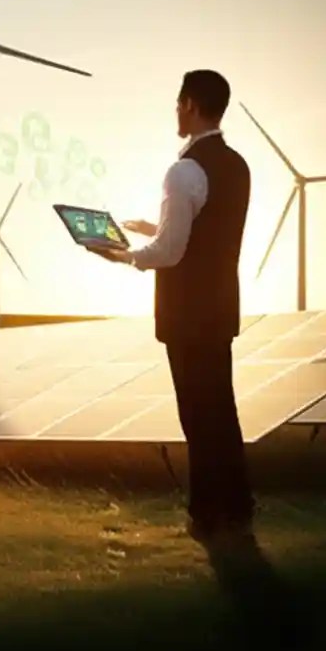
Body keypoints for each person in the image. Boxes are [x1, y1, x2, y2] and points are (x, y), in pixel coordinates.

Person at [87, 69, 253, 545]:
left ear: (192, 105)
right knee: (221, 407)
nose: (176, 111)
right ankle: (237, 506)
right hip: (221, 306)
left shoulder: (183, 170)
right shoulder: (237, 165)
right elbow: (204, 233)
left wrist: (122, 255)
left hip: (186, 313)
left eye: (179, 103)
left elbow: (172, 253)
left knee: (196, 413)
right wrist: (146, 228)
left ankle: (206, 513)